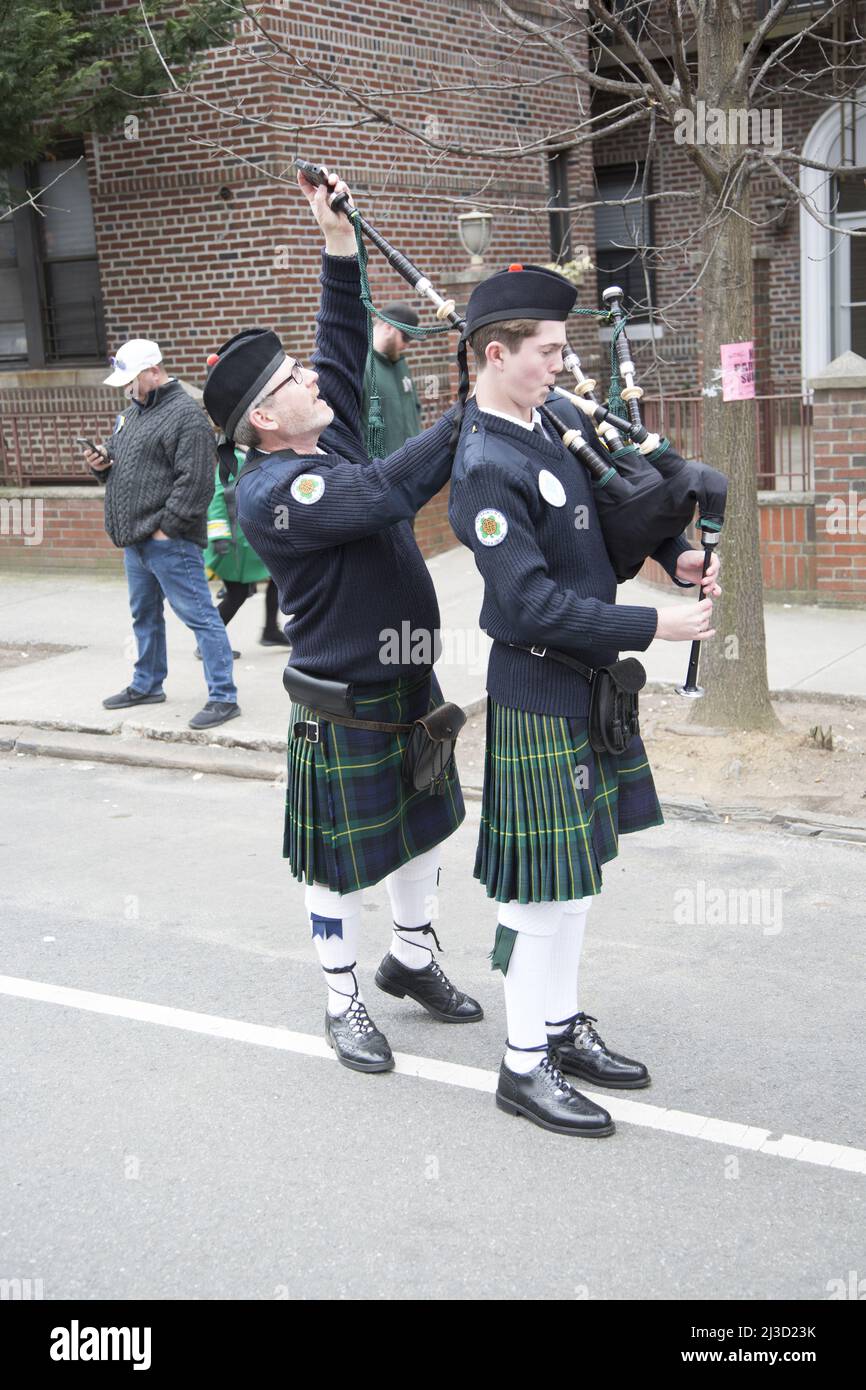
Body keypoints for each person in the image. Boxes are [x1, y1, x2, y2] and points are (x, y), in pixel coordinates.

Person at [202, 168, 482, 1074]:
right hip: (344, 698)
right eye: (291, 380)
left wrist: (335, 235)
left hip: (409, 678)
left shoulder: (330, 436)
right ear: (262, 421)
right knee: (340, 864)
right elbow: (393, 489)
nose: (314, 376)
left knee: (423, 829)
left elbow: (343, 330)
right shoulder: (273, 492)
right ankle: (341, 997)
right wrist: (475, 405)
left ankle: (411, 960)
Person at [448, 264, 721, 1137]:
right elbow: (527, 603)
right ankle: (522, 1066)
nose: (565, 367)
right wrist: (654, 624)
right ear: (498, 355)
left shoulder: (554, 419)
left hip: (587, 684)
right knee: (538, 895)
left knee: (576, 881)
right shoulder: (485, 466)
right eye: (551, 352)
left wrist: (672, 555)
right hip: (537, 691)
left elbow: (612, 520)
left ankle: (558, 1029)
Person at [85, 339, 241, 730]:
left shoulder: (186, 415)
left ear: (153, 372)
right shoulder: (132, 414)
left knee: (201, 618)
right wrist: (101, 463)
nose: (126, 389)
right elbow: (122, 464)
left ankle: (224, 697)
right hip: (135, 541)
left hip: (167, 541)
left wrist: (165, 530)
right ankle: (147, 684)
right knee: (145, 616)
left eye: (131, 380)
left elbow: (197, 482)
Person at [201, 444, 290, 652]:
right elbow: (217, 498)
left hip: (255, 540)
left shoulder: (261, 456)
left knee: (277, 581)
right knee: (236, 594)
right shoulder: (233, 459)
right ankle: (208, 644)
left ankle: (270, 630)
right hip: (235, 544)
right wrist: (219, 535)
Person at [361, 303, 423, 456]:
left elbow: (414, 412)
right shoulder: (361, 367)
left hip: (412, 467)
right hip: (383, 473)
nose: (407, 345)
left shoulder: (400, 363)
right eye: (406, 338)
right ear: (388, 327)